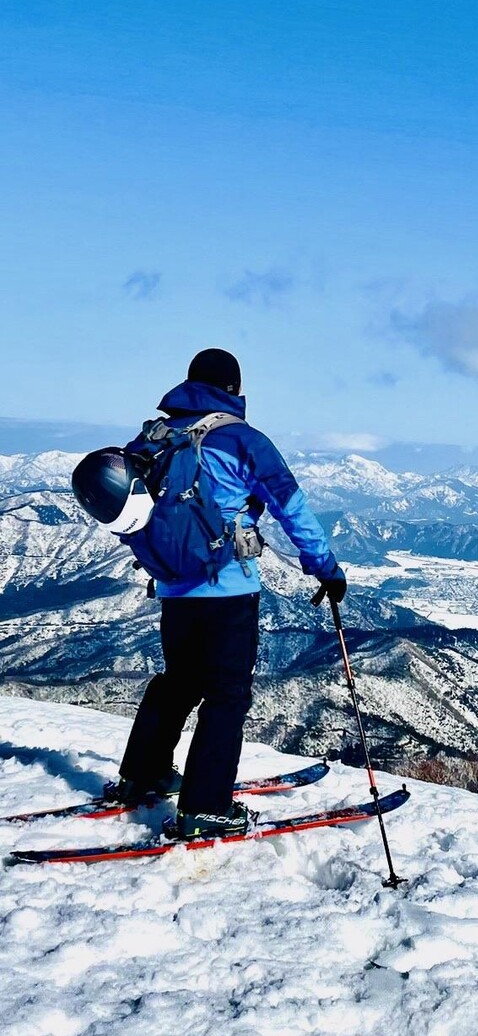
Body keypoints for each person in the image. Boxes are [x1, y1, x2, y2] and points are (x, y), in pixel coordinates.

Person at [106, 349, 346, 838]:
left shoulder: (152, 439)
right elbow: (290, 506)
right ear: (235, 391)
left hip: (172, 585)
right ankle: (206, 806)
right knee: (226, 694)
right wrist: (324, 567)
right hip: (227, 589)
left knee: (179, 680)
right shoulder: (243, 440)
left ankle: (141, 776)